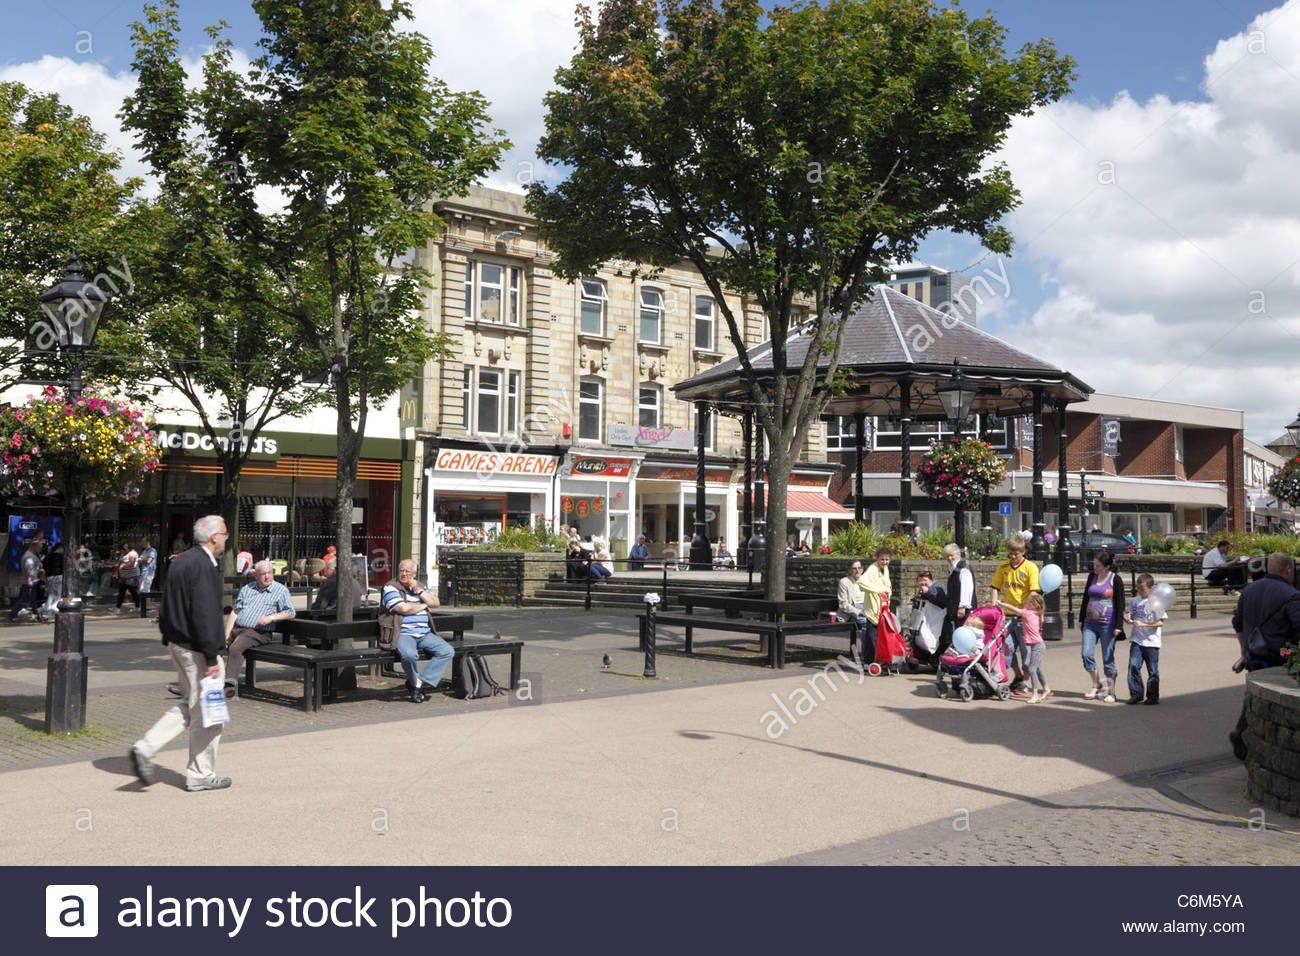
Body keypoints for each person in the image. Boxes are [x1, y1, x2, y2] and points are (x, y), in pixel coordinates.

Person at [130, 515, 231, 791]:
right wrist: (212, 657)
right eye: (224, 533)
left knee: (191, 705)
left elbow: (167, 605)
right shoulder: (204, 565)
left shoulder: (181, 561)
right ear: (213, 537)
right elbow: (205, 613)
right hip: (199, 651)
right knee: (209, 714)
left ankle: (145, 747)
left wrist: (169, 637)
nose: (226, 537)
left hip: (179, 645)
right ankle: (200, 774)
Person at [1229, 552, 1300, 760]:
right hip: (1279, 655)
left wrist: (1243, 650)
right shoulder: (1291, 594)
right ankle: (1244, 735)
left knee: (1254, 693)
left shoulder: (1249, 591)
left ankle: (1243, 734)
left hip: (1254, 653)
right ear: (1288, 569)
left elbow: (1237, 623)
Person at [382, 559, 454, 703]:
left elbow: (436, 603)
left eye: (407, 571)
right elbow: (403, 609)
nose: (403, 574)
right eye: (401, 570)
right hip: (403, 633)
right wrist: (423, 605)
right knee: (409, 655)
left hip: (424, 633)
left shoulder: (420, 587)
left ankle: (417, 683)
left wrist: (419, 591)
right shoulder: (390, 587)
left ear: (414, 574)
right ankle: (416, 686)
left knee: (447, 651)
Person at [224, 559, 296, 698]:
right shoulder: (247, 589)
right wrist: (226, 633)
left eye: (269, 573)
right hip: (239, 628)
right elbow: (235, 611)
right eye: (263, 574)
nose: (267, 576)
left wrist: (271, 618)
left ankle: (228, 688)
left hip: (258, 632)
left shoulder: (280, 590)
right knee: (212, 644)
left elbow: (290, 612)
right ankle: (198, 685)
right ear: (256, 575)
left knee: (235, 648)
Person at [989, 535, 1040, 697]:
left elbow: (1033, 592)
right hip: (1007, 617)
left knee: (1027, 653)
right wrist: (994, 605)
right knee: (1006, 650)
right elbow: (995, 587)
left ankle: (1024, 682)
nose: (1012, 556)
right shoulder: (1003, 567)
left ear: (1023, 552)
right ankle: (1018, 675)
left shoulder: (1030, 568)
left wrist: (1025, 611)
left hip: (1024, 618)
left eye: (1015, 553)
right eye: (1010, 553)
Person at [1079, 550, 1124, 702]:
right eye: (1094, 565)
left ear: (1107, 567)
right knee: (1086, 654)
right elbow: (1086, 597)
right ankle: (1096, 684)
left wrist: (1118, 625)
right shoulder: (1092, 577)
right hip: (1089, 623)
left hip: (1108, 624)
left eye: (1098, 566)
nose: (1095, 568)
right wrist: (1081, 618)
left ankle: (1111, 691)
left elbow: (1120, 602)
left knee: (1107, 658)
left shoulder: (1115, 580)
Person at [1124, 573, 1166, 705]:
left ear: (1151, 588)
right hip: (1137, 639)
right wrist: (1127, 617)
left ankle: (1153, 696)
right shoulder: (1135, 601)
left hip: (1151, 641)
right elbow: (1129, 613)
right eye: (1138, 589)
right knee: (1133, 666)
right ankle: (1136, 694)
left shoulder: (1156, 602)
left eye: (1143, 589)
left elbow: (1160, 622)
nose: (1140, 592)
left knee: (1152, 670)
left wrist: (1144, 624)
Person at [860, 546, 892, 666]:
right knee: (871, 637)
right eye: (882, 559)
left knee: (880, 636)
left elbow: (887, 586)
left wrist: (888, 593)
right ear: (877, 558)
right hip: (873, 609)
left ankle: (877, 659)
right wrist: (878, 590)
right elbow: (862, 582)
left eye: (887, 559)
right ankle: (869, 661)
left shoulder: (886, 569)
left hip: (882, 608)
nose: (884, 562)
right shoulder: (872, 569)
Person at [942, 543, 975, 658]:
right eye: (947, 556)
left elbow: (967, 588)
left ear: (958, 554)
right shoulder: (953, 568)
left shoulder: (963, 568)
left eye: (952, 555)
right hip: (955, 608)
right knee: (957, 635)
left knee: (963, 636)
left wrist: (963, 607)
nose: (950, 558)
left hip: (962, 610)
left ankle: (966, 660)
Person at [1019, 592, 1050, 702]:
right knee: (1038, 669)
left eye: (1029, 602)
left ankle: (1035, 694)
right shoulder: (1037, 614)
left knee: (1032, 669)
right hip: (1037, 645)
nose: (1026, 604)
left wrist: (1003, 605)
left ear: (1034, 605)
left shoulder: (1028, 613)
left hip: (1037, 646)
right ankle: (1046, 689)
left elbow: (1015, 609)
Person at [836, 559, 869, 661]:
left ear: (862, 570)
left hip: (867, 607)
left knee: (883, 623)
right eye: (854, 568)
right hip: (852, 611)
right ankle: (867, 656)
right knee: (867, 624)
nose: (857, 570)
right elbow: (843, 604)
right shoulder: (844, 582)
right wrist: (858, 612)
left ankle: (881, 654)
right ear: (850, 570)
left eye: (859, 568)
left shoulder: (867, 580)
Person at [9, 539, 47, 623]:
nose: (40, 549)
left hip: (34, 581)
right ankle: (13, 614)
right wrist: (29, 580)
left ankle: (37, 616)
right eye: (39, 548)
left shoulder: (33, 555)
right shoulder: (29, 556)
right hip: (30, 582)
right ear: (34, 547)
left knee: (34, 601)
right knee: (25, 600)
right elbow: (28, 569)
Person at [115, 541, 142, 612]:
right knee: (122, 592)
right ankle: (118, 608)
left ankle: (138, 607)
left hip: (131, 577)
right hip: (124, 577)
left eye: (122, 549)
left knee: (133, 592)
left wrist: (122, 567)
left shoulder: (132, 554)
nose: (121, 550)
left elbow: (131, 564)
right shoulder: (125, 554)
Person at [41, 542, 65, 618]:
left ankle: (47, 609)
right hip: (58, 576)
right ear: (60, 548)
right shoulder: (61, 557)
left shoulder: (47, 556)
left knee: (51, 593)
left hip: (49, 576)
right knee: (57, 594)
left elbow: (43, 567)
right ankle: (54, 609)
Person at [137, 536, 158, 604]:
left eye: (143, 541)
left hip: (149, 572)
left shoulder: (152, 550)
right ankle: (144, 606)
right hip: (143, 571)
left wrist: (142, 560)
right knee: (142, 590)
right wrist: (142, 560)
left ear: (148, 542)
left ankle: (147, 607)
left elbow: (148, 561)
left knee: (145, 590)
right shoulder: (145, 551)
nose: (141, 543)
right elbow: (139, 561)